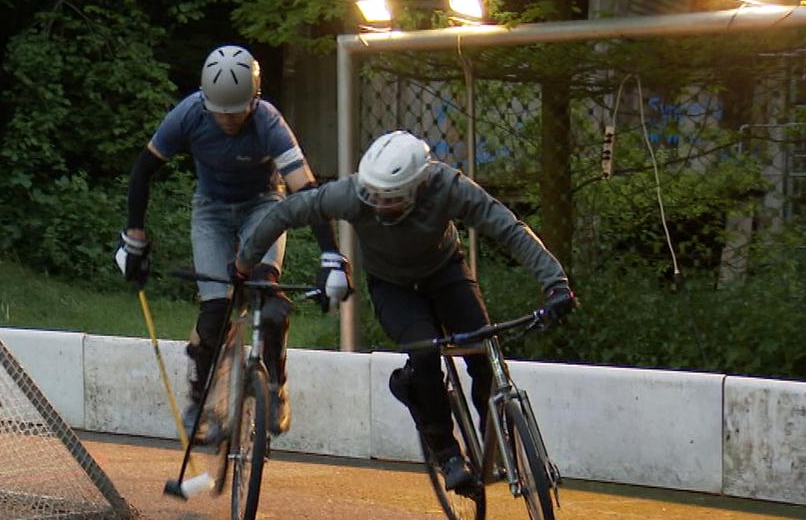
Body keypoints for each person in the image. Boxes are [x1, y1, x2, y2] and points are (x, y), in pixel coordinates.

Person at [234, 129, 576, 494]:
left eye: (389, 199)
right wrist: (243, 263)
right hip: (392, 287)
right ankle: (447, 454)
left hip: (446, 272)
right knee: (425, 352)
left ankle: (500, 440)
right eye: (373, 196)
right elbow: (286, 212)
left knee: (483, 350)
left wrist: (555, 283)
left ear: (416, 188)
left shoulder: (447, 186)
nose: (378, 205)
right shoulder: (353, 194)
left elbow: (509, 229)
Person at [114, 44, 352, 445]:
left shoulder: (269, 123)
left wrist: (331, 255)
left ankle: (275, 384)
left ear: (254, 101)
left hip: (263, 205)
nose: (226, 118)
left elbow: (306, 191)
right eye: (218, 111)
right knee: (214, 313)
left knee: (270, 301)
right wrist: (134, 237)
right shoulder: (189, 114)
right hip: (210, 211)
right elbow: (143, 170)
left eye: (235, 111)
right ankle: (201, 401)